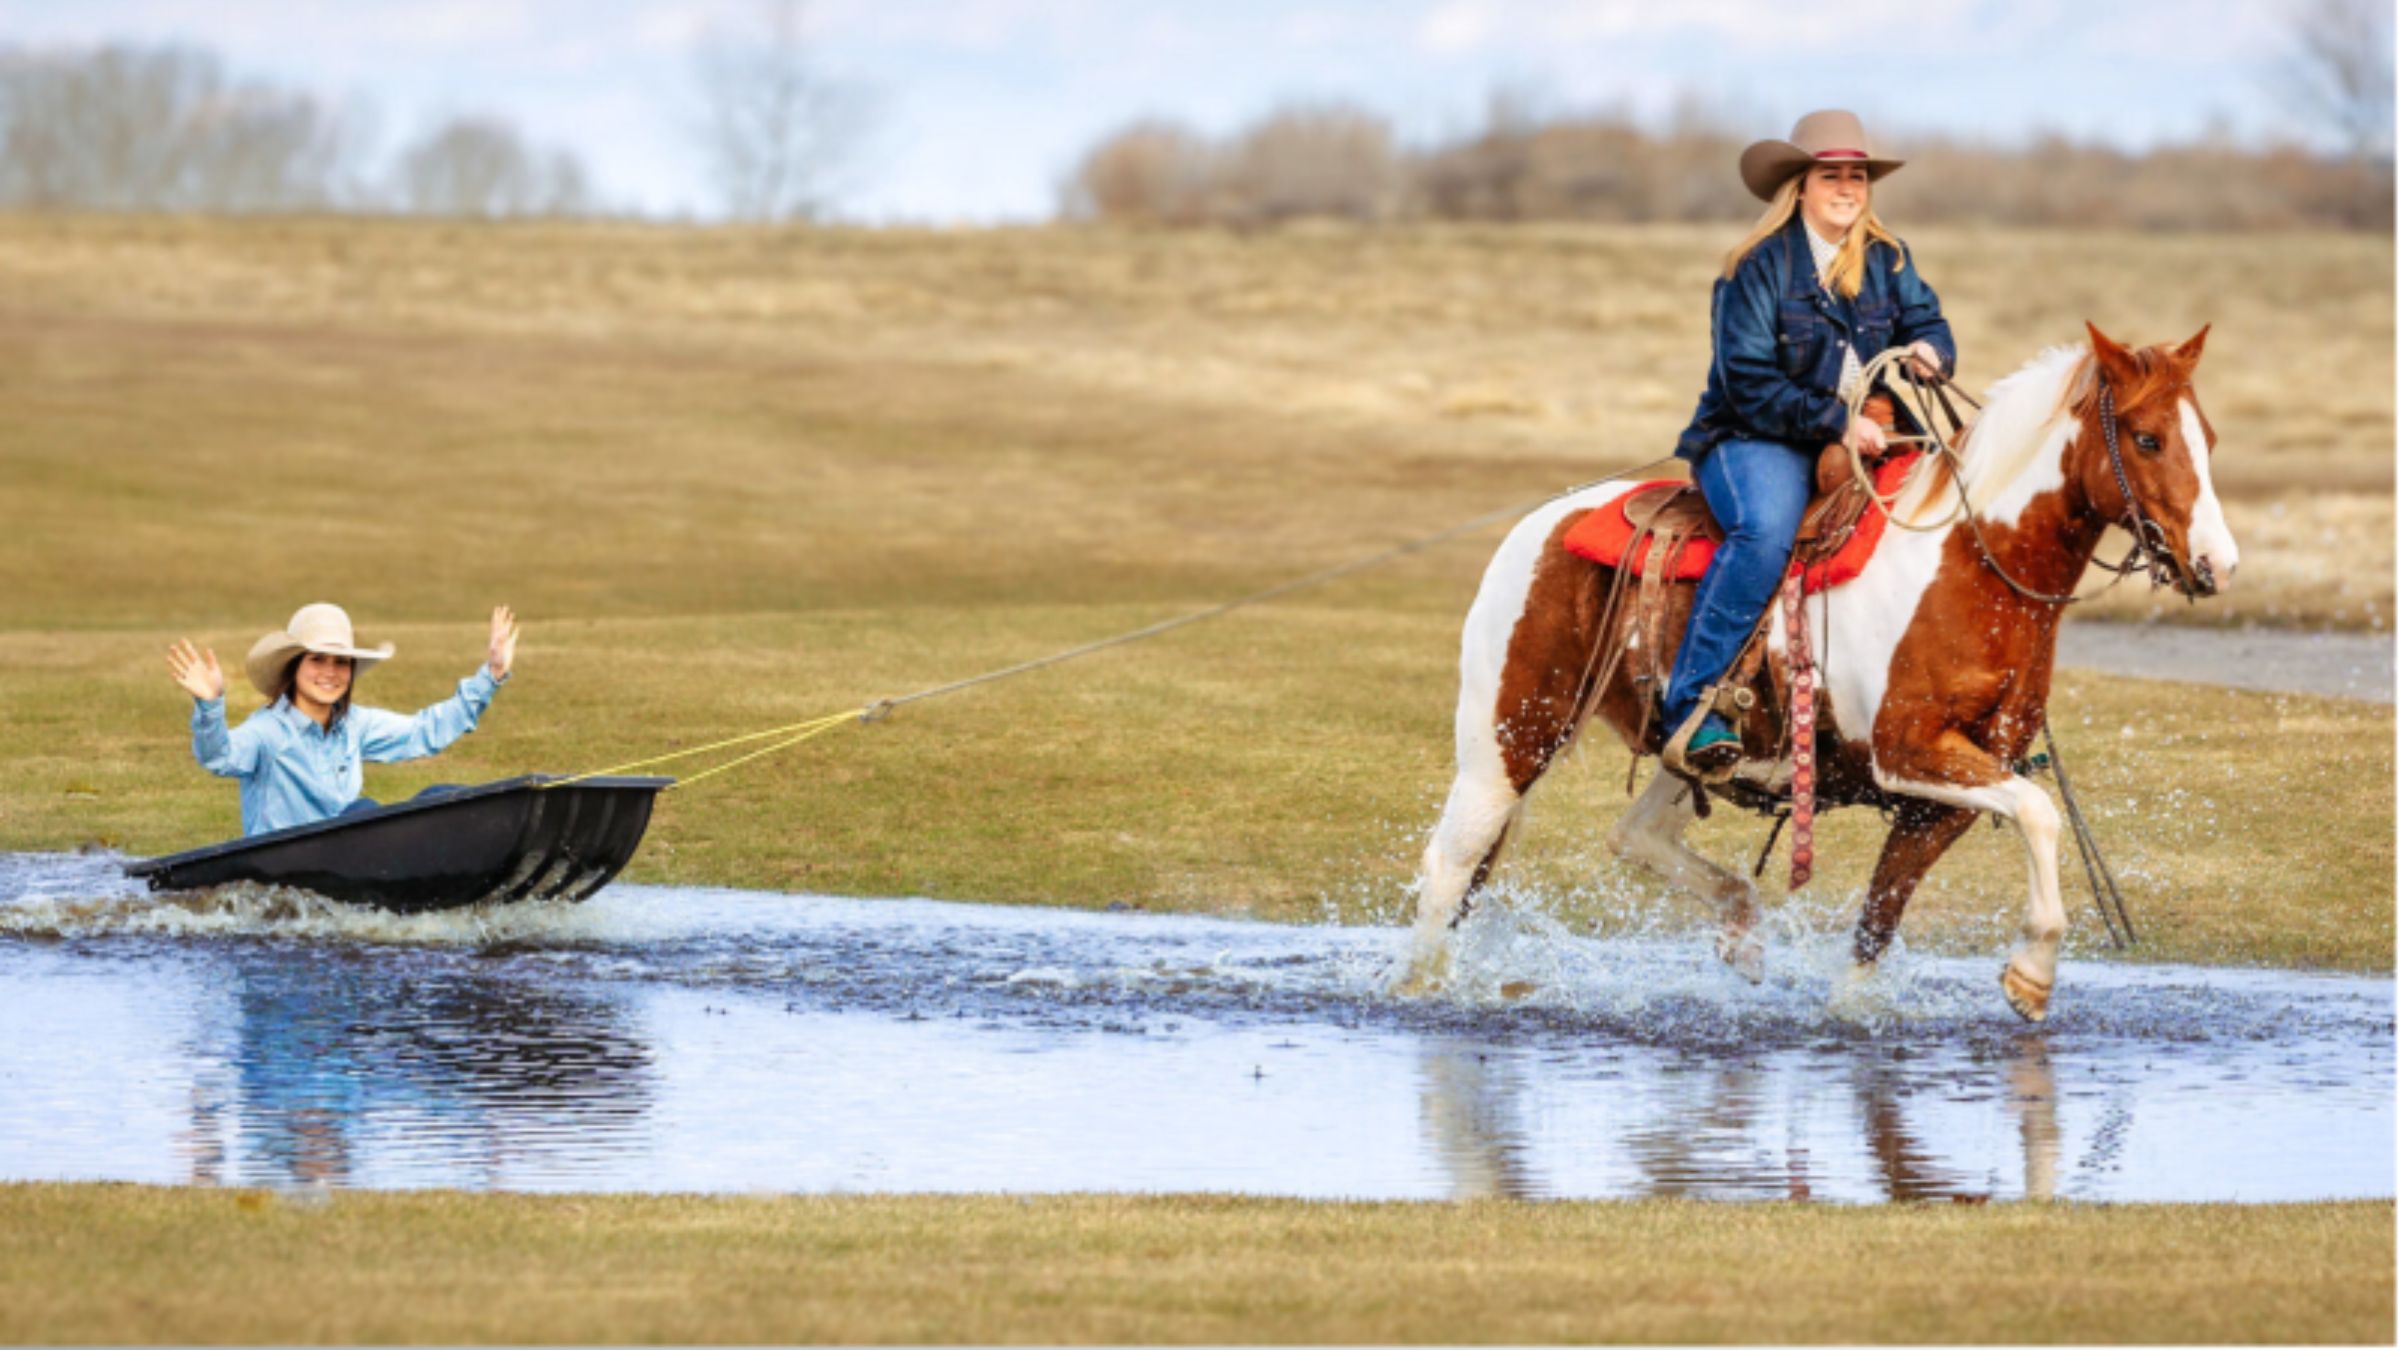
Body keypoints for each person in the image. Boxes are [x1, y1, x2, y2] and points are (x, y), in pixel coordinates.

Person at [1661, 110, 1956, 782]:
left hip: (1868, 430)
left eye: (1857, 175)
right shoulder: (1755, 268)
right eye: (1832, 175)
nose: (1847, 187)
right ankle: (1692, 705)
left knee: (1946, 515)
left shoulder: (1889, 258)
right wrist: (1834, 422)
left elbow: (1929, 320)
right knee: (1764, 533)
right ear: (1800, 185)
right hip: (1750, 436)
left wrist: (1929, 352)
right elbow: (1748, 380)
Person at [166, 603, 520, 835]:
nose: (330, 673)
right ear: (294, 667)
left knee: (443, 796)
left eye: (340, 662)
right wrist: (210, 705)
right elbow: (219, 756)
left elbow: (425, 731)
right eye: (317, 660)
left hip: (352, 856)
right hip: (290, 868)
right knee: (363, 811)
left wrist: (491, 675)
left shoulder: (355, 725)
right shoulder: (267, 732)